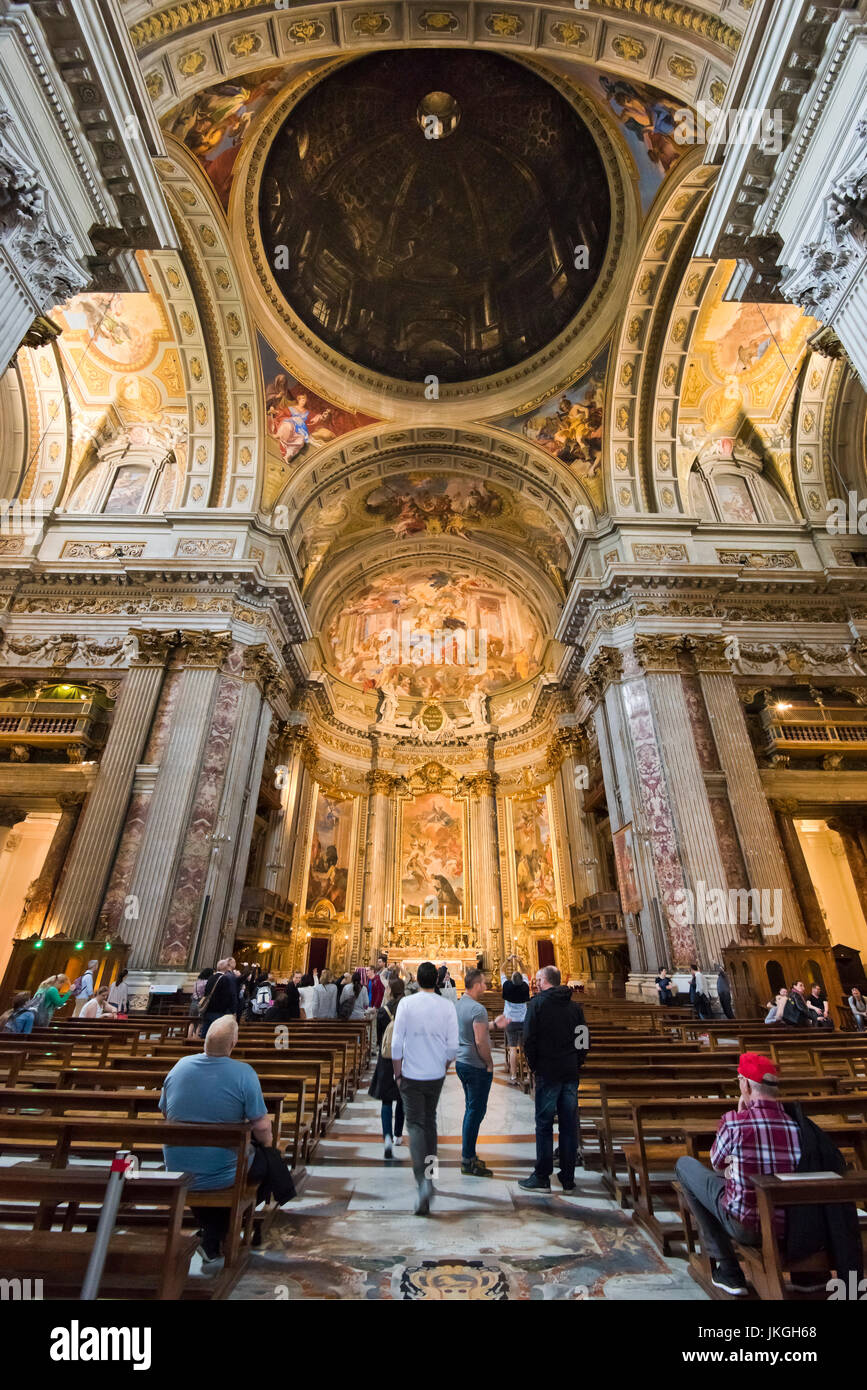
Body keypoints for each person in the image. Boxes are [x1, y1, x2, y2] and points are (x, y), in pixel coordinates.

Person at [160, 1015, 294, 1266]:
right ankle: (222, 1229)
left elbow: (166, 1112)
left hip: (177, 1165)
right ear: (234, 1043)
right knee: (267, 1162)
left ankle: (212, 1231)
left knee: (240, 1160)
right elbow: (262, 1126)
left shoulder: (179, 1067)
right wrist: (268, 1146)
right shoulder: (243, 1073)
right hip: (222, 1171)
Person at [675, 1052, 801, 1295]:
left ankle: (729, 1268)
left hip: (747, 1225)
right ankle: (807, 1273)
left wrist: (739, 1114)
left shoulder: (735, 1122)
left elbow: (717, 1165)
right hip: (791, 1225)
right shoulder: (796, 1125)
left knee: (685, 1167)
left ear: (744, 1084)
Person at [391, 959, 459, 1215]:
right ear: (439, 980)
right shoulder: (447, 1006)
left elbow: (397, 1043)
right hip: (435, 1074)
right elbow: (453, 1046)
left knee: (416, 1126)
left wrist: (397, 1073)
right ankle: (431, 1177)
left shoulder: (407, 1004)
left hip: (410, 1074)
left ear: (417, 980)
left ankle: (423, 1182)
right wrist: (442, 1065)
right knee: (429, 1123)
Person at [519, 966, 587, 1194]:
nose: (535, 982)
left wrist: (535, 1065)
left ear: (545, 980)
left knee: (545, 1124)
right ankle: (568, 1178)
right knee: (569, 1125)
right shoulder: (574, 1006)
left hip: (548, 1072)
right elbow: (583, 1039)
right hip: (569, 1072)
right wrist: (576, 1062)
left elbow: (528, 1039)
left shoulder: (537, 1004)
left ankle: (542, 1177)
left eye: (537, 979)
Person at [455, 967, 494, 1176]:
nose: (486, 986)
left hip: (461, 1062)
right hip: (475, 1065)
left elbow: (469, 1029)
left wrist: (493, 1025)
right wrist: (489, 1062)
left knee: (471, 1110)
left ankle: (468, 1155)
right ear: (477, 984)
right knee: (475, 1111)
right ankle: (467, 1159)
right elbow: (479, 1040)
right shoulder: (478, 1009)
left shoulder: (458, 1004)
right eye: (484, 983)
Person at [369, 976, 405, 1158]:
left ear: (389, 990)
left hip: (386, 1059)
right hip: (404, 1059)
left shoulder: (383, 1012)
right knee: (402, 1098)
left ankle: (387, 1137)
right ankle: (399, 1134)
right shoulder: (408, 1011)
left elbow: (379, 1038)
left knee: (386, 1100)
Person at [502, 969, 530, 1084]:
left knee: (513, 1049)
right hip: (523, 1021)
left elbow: (501, 970)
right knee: (525, 1049)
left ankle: (513, 1076)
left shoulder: (507, 986)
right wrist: (519, 962)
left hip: (510, 1022)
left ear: (511, 980)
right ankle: (528, 1075)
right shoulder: (525, 987)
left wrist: (507, 960)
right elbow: (525, 972)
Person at [189, 968, 214, 1038]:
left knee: (192, 1022)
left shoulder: (197, 982)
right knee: (200, 1023)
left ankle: (189, 1037)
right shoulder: (207, 982)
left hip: (194, 1002)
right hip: (202, 1003)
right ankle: (196, 1038)